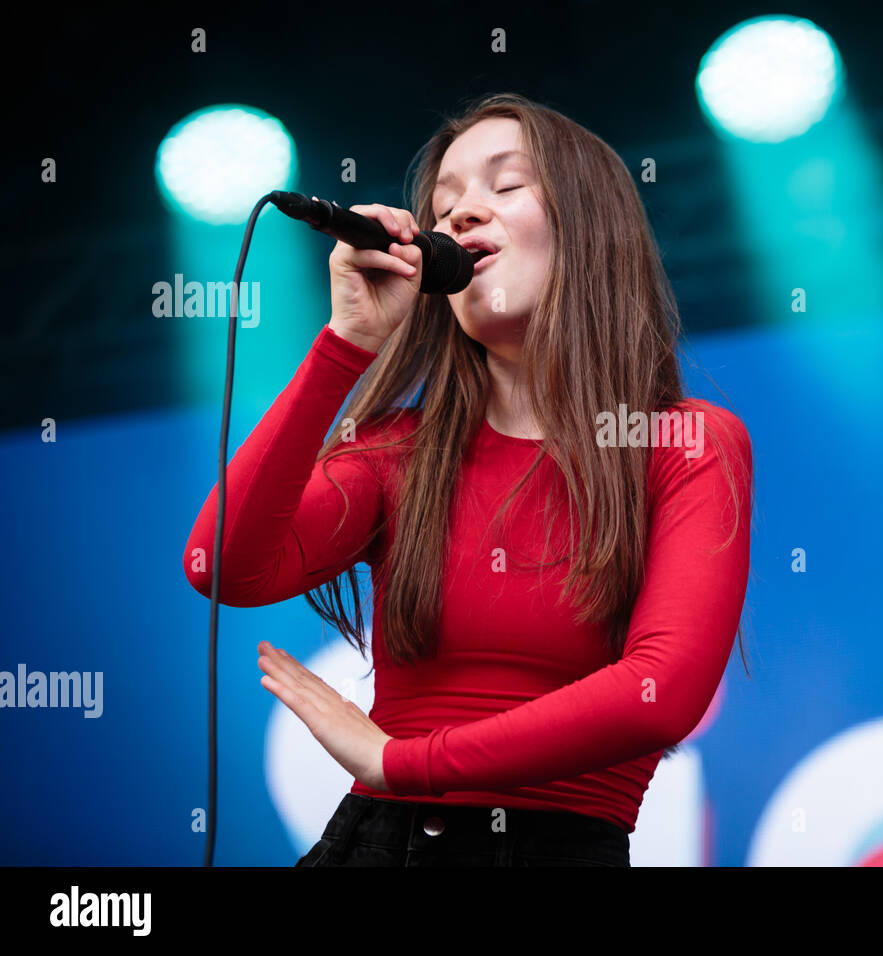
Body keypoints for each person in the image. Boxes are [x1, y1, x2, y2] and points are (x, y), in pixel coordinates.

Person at [183, 92, 753, 867]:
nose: (459, 213)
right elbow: (221, 565)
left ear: (590, 228)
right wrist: (345, 344)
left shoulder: (682, 443)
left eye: (507, 184)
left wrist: (403, 763)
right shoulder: (396, 451)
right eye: (443, 205)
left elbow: (662, 692)